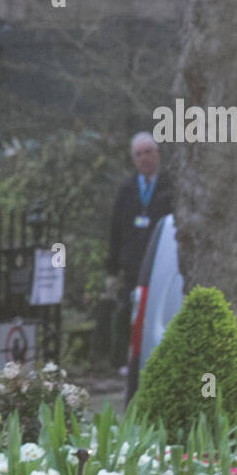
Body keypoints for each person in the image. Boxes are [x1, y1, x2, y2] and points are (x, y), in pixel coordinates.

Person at [105, 131, 175, 374]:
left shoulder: (169, 186)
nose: (144, 158)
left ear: (157, 154)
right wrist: (112, 269)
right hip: (133, 263)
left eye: (148, 152)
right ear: (133, 159)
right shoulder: (127, 189)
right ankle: (123, 361)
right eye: (139, 154)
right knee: (127, 310)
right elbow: (115, 229)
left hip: (160, 261)